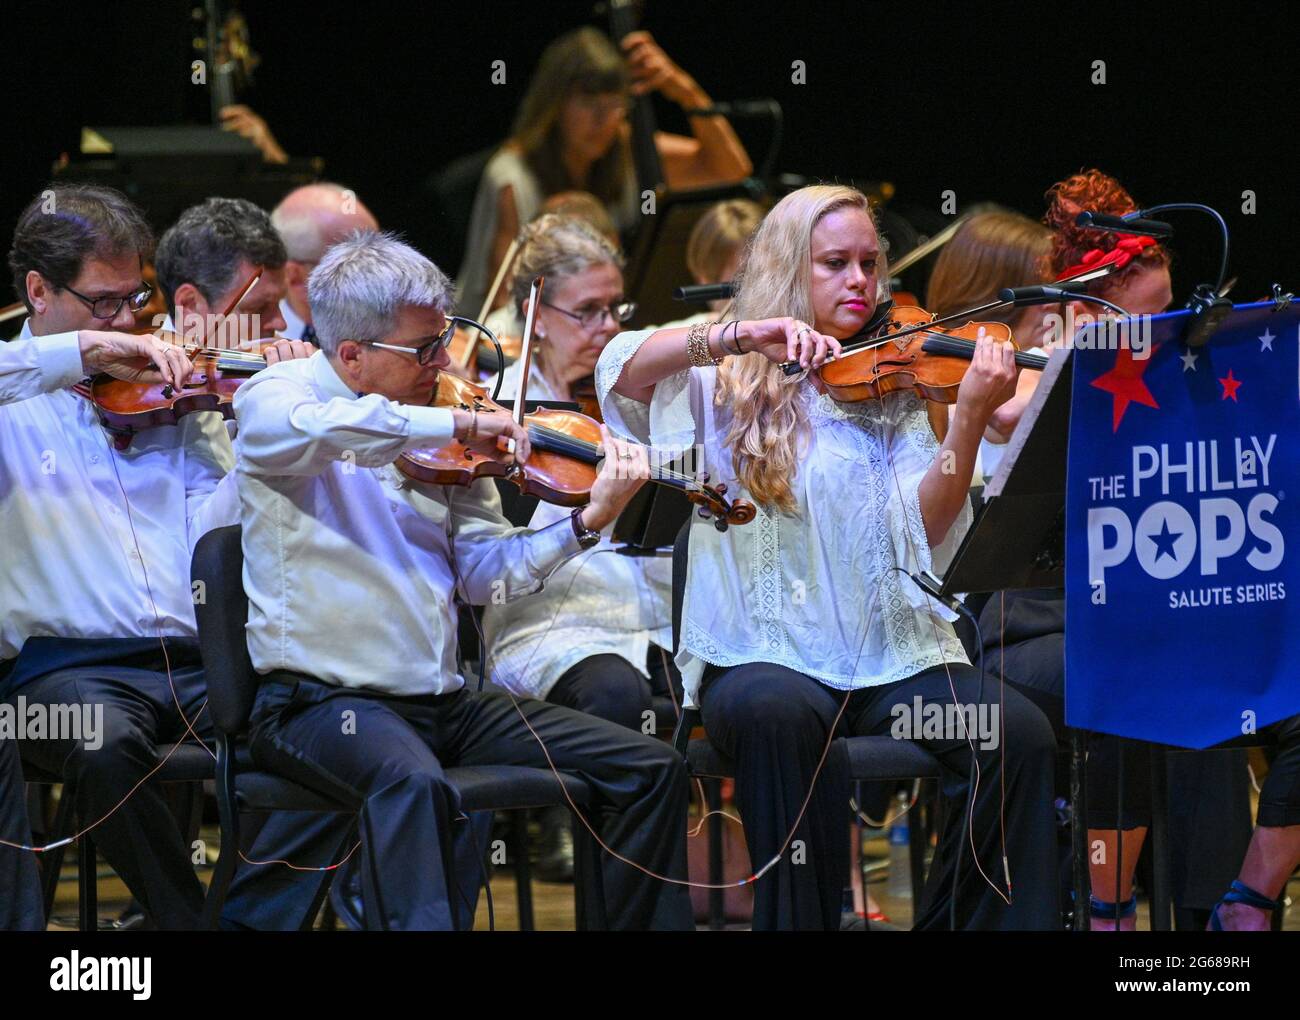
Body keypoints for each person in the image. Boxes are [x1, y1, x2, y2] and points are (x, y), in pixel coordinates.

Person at [597, 183, 1060, 930]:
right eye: (835, 263)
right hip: (763, 653)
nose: (861, 282)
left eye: (870, 263)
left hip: (888, 664)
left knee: (1015, 735)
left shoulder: (894, 380)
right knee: (777, 713)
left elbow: (924, 524)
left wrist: (968, 417)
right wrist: (740, 337)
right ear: (787, 271)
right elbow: (620, 367)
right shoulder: (725, 381)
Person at [222, 230, 694, 930]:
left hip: (443, 704)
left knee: (651, 769)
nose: (445, 361)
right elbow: (296, 433)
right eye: (425, 349)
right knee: (412, 785)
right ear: (352, 354)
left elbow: (483, 575)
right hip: (317, 706)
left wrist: (584, 524)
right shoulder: (280, 395)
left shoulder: (452, 439)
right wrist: (450, 420)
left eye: (444, 339)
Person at [0, 185, 277, 929]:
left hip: (192, 664)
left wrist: (255, 433)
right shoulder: (12, 399)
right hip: (60, 676)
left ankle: (211, 923)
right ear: (37, 292)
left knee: (330, 728)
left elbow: (209, 542)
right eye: (103, 304)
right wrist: (80, 354)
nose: (129, 324)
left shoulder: (167, 401)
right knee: (99, 743)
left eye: (137, 299)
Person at [456, 26, 752, 315]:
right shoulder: (513, 176)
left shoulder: (625, 149)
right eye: (588, 103)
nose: (603, 120)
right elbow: (503, 301)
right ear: (555, 104)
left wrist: (684, 89)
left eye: (614, 104)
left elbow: (732, 169)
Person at [270, 183, 379, 345]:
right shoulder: (245, 338)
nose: (382, 275)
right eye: (361, 267)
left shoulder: (398, 334)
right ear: (294, 277)